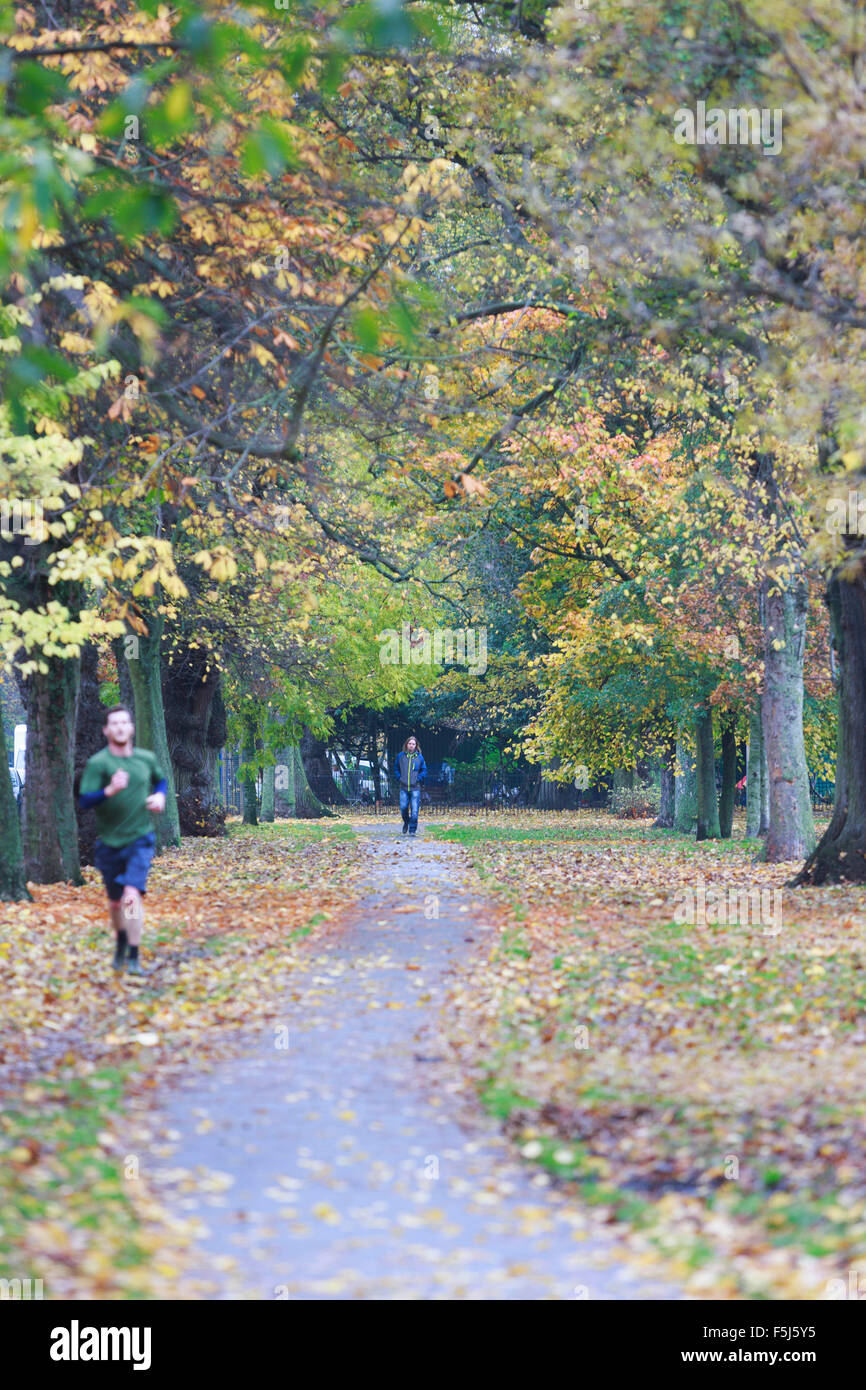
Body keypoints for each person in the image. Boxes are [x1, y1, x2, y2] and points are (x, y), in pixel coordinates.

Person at [79, 705, 167, 975]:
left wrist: (160, 796)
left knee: (131, 897)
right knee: (116, 903)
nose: (119, 727)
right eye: (114, 723)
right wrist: (109, 789)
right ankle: (120, 943)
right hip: (109, 842)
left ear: (131, 728)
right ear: (106, 730)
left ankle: (133, 956)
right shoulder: (99, 763)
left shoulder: (146, 758)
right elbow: (84, 800)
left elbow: (160, 781)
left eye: (124, 723)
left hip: (140, 839)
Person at [393, 735, 427, 836]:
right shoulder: (401, 756)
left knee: (415, 811)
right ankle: (406, 822)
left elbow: (424, 770)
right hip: (403, 787)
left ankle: (412, 830)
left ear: (416, 745)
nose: (411, 745)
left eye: (413, 744)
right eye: (410, 743)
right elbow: (395, 768)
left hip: (415, 788)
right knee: (403, 808)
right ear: (407, 744)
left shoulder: (419, 757)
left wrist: (418, 779)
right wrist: (399, 777)